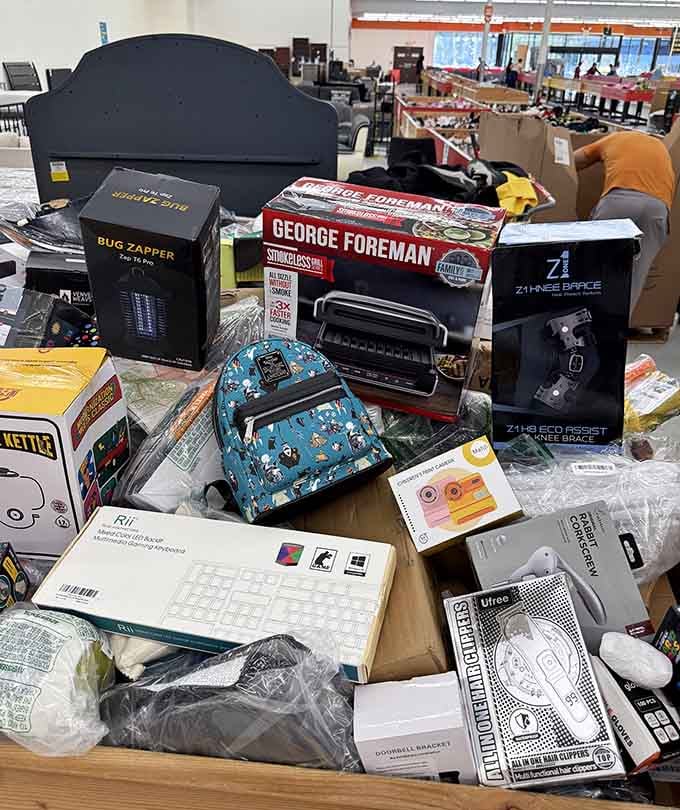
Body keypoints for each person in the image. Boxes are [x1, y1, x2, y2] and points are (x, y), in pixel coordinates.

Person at [574, 132, 676, 311]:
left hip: (619, 201)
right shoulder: (660, 147)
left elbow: (574, 160)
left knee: (593, 264)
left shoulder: (613, 138)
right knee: (635, 276)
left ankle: (582, 317)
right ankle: (617, 325)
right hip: (657, 209)